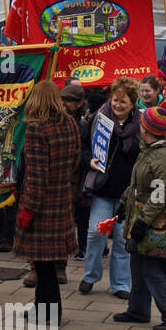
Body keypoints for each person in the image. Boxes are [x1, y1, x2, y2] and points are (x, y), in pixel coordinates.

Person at [113, 107, 166, 330]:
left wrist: (143, 222)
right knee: (137, 265)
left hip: (157, 222)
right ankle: (138, 310)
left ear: (146, 128)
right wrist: (124, 201)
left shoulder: (165, 156)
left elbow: (160, 195)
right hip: (142, 215)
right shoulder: (149, 149)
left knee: (154, 269)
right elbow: (138, 183)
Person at [12, 80, 80, 327]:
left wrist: (27, 210)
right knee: (48, 263)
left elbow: (37, 176)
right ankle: (42, 308)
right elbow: (74, 162)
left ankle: (51, 313)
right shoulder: (70, 123)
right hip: (62, 200)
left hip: (42, 207)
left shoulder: (37, 129)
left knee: (44, 265)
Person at [79, 77, 141, 299]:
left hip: (127, 192)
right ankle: (90, 275)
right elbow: (84, 146)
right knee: (96, 233)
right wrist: (89, 161)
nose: (118, 105)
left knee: (123, 240)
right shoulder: (98, 118)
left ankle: (121, 284)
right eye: (116, 100)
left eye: (123, 101)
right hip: (102, 189)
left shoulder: (140, 125)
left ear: (133, 103)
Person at [62, 82, 91, 259]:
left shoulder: (84, 125)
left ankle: (83, 246)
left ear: (79, 103)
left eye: (68, 100)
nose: (64, 103)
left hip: (79, 176)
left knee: (82, 213)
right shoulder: (61, 121)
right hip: (65, 176)